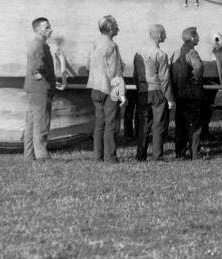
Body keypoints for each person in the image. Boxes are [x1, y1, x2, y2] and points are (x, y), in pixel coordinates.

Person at [133, 24, 174, 161]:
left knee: (143, 125)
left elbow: (135, 75)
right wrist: (169, 98)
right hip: (157, 92)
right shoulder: (161, 55)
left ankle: (140, 155)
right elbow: (165, 79)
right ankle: (157, 156)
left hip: (143, 92)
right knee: (158, 124)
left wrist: (140, 89)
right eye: (164, 33)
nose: (166, 36)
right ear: (158, 35)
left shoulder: (138, 53)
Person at [86, 15, 125, 162]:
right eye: (115, 26)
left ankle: (98, 156)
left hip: (95, 87)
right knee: (112, 122)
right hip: (111, 89)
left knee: (99, 122)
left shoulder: (94, 44)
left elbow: (88, 67)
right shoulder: (112, 46)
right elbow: (115, 72)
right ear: (109, 29)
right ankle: (110, 157)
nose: (118, 28)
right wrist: (121, 93)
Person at [22, 16, 56, 161]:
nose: (50, 30)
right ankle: (42, 157)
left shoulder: (37, 44)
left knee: (31, 124)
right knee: (41, 124)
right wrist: (47, 81)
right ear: (37, 30)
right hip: (40, 91)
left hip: (33, 90)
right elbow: (36, 69)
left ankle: (29, 156)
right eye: (46, 27)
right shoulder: (39, 45)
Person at [170, 27, 207, 160]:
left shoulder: (175, 53)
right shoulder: (192, 52)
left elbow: (171, 71)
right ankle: (195, 153)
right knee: (195, 125)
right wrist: (194, 80)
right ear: (192, 38)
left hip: (179, 93)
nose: (198, 38)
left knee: (180, 124)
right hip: (192, 94)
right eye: (197, 36)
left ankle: (179, 153)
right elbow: (198, 67)